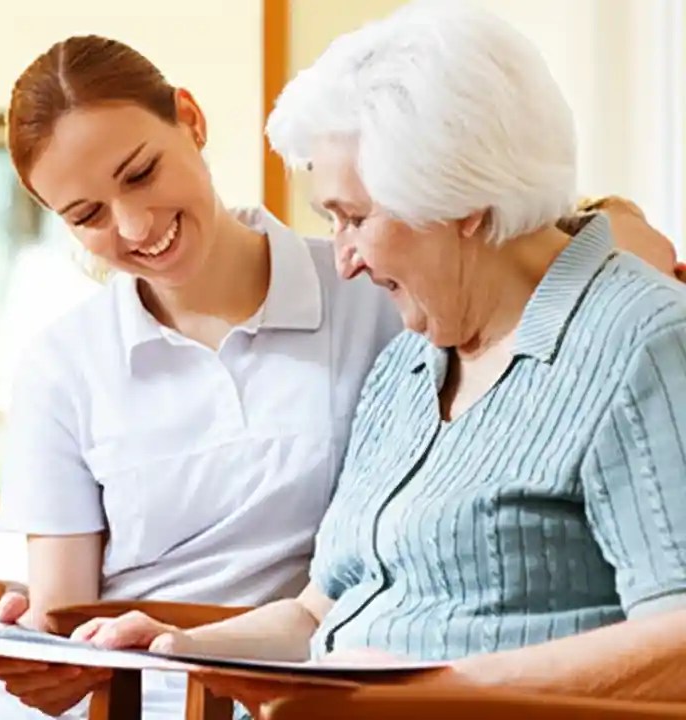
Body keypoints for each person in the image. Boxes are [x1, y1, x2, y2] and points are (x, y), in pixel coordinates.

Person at [57, 0, 686, 714]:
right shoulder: (409, 365)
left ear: (462, 202)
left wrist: (444, 692)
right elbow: (318, 614)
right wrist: (179, 645)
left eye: (354, 218)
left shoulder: (642, 342)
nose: (345, 259)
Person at [0, 34, 403, 720]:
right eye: (87, 216)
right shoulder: (63, 364)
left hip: (288, 687)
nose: (134, 225)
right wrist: (33, 645)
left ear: (190, 119)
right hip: (113, 692)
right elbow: (63, 613)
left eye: (141, 173)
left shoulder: (373, 298)